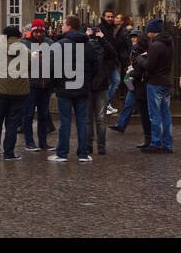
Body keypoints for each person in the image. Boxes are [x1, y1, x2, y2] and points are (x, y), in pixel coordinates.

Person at [49, 15, 95, 163]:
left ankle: (62, 153)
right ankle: (83, 153)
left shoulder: (60, 44)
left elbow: (51, 67)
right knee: (82, 121)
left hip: (64, 88)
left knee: (65, 121)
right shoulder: (88, 45)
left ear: (68, 27)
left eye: (63, 24)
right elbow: (96, 66)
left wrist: (56, 84)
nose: (62, 27)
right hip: (82, 87)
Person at [0, 26, 30, 160]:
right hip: (19, 92)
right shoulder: (25, 51)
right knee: (12, 124)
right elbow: (31, 67)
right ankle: (9, 153)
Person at [137, 19, 174, 153]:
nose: (147, 34)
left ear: (152, 31)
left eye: (148, 31)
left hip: (155, 83)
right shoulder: (169, 43)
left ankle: (156, 143)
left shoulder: (155, 45)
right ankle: (168, 144)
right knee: (166, 114)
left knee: (155, 115)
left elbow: (149, 66)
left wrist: (140, 60)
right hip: (166, 82)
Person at [112, 30, 153, 147]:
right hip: (134, 81)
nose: (133, 39)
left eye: (135, 37)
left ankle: (148, 137)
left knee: (140, 108)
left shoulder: (141, 51)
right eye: (132, 38)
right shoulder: (133, 50)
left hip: (139, 82)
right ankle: (121, 124)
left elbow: (142, 68)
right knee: (129, 103)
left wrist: (131, 72)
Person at [86, 21, 118, 155]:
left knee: (94, 119)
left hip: (95, 85)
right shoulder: (89, 46)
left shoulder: (99, 47)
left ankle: (95, 146)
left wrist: (101, 38)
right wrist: (101, 38)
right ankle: (98, 146)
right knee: (98, 118)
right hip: (95, 85)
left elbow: (113, 52)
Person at [22, 20, 54, 151]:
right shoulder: (24, 44)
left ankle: (43, 142)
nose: (39, 34)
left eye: (41, 31)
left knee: (43, 115)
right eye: (37, 32)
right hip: (31, 84)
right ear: (33, 31)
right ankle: (29, 142)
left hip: (46, 84)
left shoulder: (50, 43)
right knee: (28, 114)